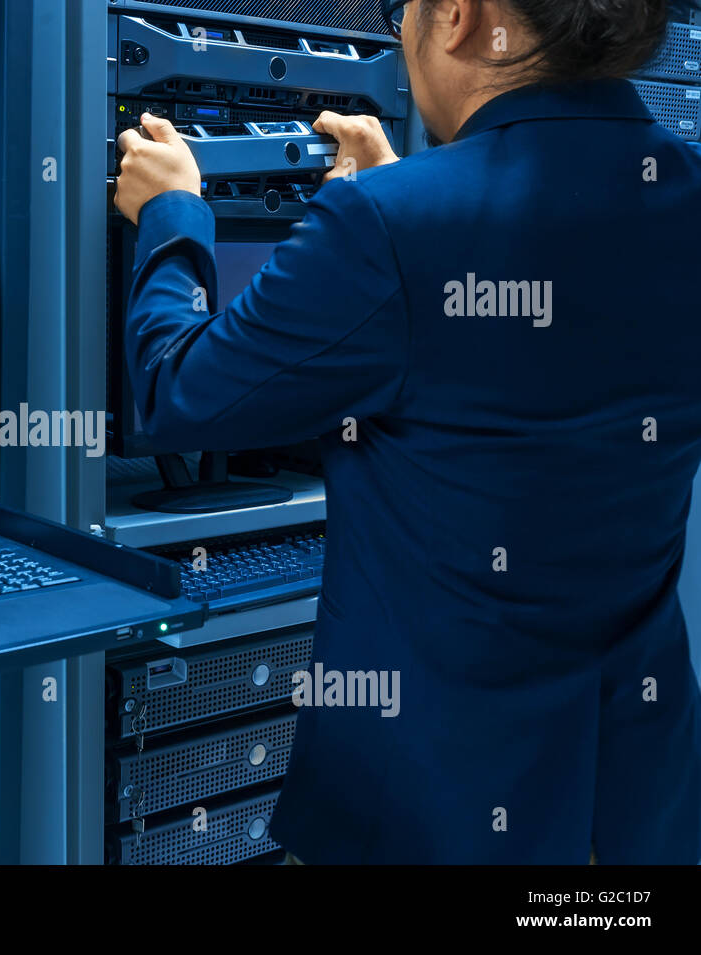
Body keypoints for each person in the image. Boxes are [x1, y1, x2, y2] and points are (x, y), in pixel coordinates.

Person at [113, 0, 701, 863]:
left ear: (460, 15)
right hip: (637, 799)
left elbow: (175, 392)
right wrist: (395, 202)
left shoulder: (393, 226)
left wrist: (174, 212)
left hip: (431, 813)